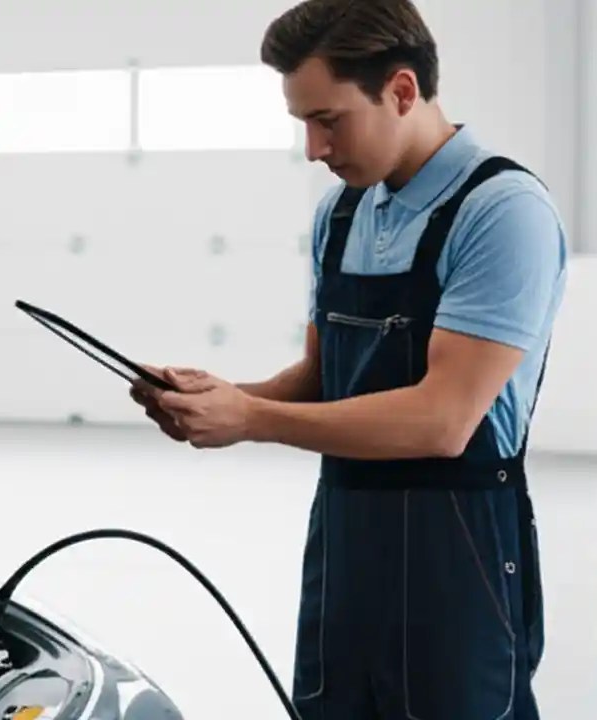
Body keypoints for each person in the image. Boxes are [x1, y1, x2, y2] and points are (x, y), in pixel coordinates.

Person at [129, 1, 568, 718]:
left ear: (400, 91)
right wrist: (215, 397)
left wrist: (251, 420)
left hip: (457, 547)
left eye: (328, 120)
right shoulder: (342, 215)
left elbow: (442, 421)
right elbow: (322, 379)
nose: (313, 148)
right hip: (347, 536)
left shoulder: (502, 210)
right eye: (303, 123)